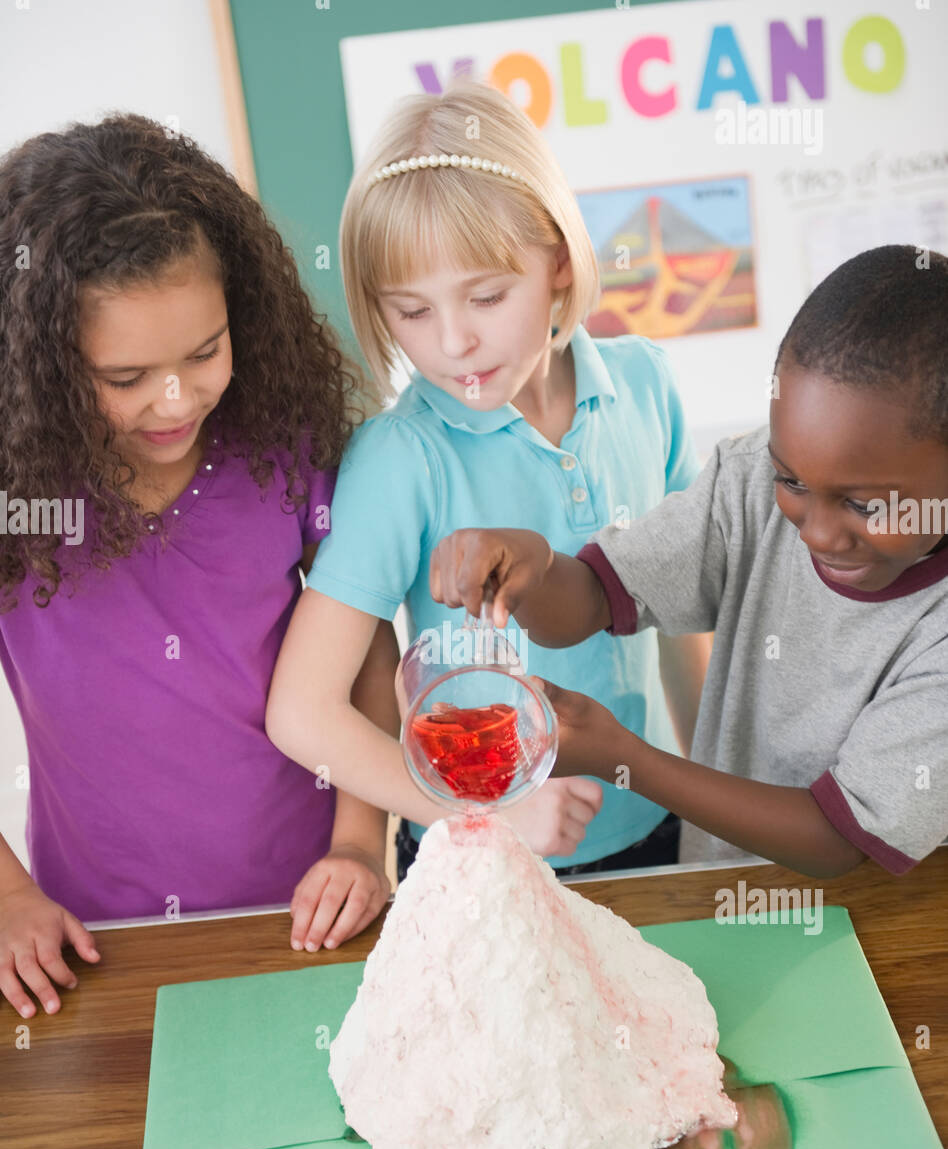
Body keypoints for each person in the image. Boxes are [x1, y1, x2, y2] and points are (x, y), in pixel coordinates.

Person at [266, 78, 711, 896]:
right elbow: (301, 710)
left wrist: (717, 798)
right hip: (480, 863)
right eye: (411, 311)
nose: (454, 342)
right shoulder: (399, 457)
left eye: (486, 296)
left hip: (649, 829)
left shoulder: (647, 384)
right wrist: (486, 817)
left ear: (558, 260)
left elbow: (683, 615)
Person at [0, 114, 395, 1020]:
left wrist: (364, 843)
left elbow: (365, 647)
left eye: (204, 353)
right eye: (126, 376)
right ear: (40, 366)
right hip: (93, 943)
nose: (176, 401)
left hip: (318, 905)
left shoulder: (284, 453)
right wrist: (10, 899)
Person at [429, 245, 948, 878]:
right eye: (793, 481)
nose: (817, 532)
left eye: (864, 508)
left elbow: (838, 840)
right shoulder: (748, 480)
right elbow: (594, 595)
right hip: (719, 902)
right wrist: (535, 566)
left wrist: (624, 757)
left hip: (883, 937)